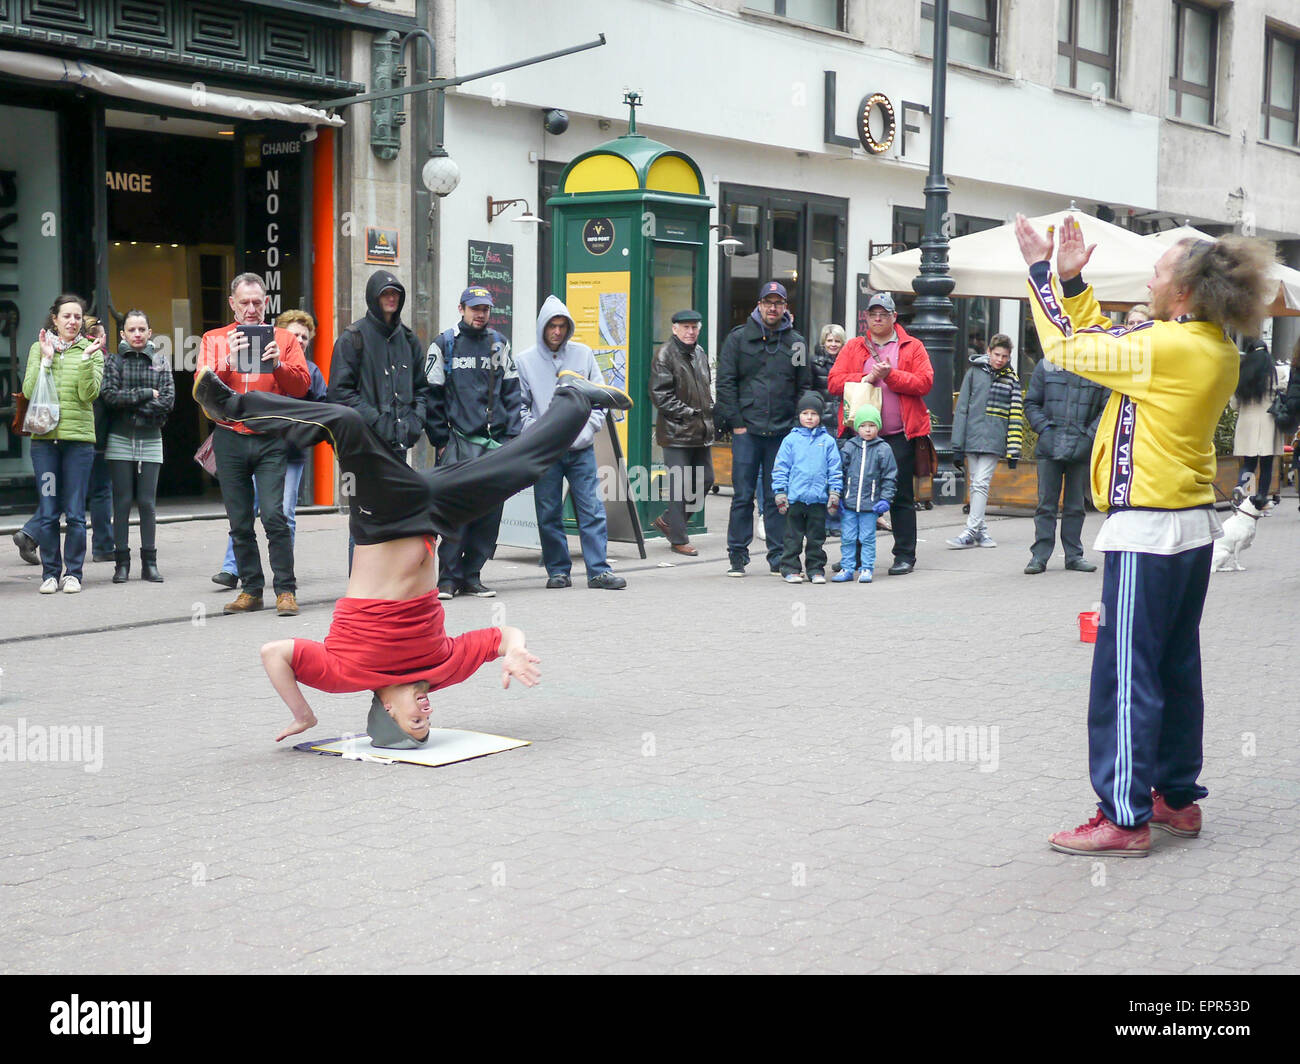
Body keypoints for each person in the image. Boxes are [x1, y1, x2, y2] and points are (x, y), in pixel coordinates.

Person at [186, 366, 631, 745]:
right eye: (429, 721)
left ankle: (232, 408)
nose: (426, 710)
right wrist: (516, 650)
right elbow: (501, 636)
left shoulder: (347, 674)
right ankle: (574, 397)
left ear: (386, 711)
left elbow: (273, 652)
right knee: (521, 467)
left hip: (382, 519)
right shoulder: (442, 669)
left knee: (344, 422)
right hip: (433, 514)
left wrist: (304, 714)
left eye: (416, 720)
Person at [1015, 214, 1274, 857]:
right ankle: (1175, 799)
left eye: (1158, 272)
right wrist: (1073, 283)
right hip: (1188, 529)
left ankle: (1123, 816)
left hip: (1148, 531)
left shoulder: (1169, 346)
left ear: (1183, 290)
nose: (1149, 280)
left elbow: (1070, 350)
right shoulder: (1204, 343)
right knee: (1175, 666)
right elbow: (1104, 334)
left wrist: (1043, 274)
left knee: (1126, 675)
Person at [197, 272, 310, 616]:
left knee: (275, 516)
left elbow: (302, 387)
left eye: (257, 302)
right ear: (232, 303)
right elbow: (201, 386)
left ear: (267, 303)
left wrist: (278, 364)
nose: (250, 309)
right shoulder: (214, 338)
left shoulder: (284, 339)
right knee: (240, 520)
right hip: (229, 436)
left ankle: (285, 590)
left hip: (270, 437)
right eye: (243, 302)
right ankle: (251, 588)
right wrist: (228, 361)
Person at [516, 295, 627, 590]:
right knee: (548, 511)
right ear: (542, 327)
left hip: (580, 449)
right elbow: (520, 408)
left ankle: (598, 571)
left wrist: (586, 431)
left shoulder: (583, 354)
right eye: (551, 326)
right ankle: (558, 570)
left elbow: (600, 398)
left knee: (591, 508)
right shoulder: (525, 361)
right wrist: (539, 434)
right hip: (546, 451)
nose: (557, 332)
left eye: (562, 326)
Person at [327, 271, 432, 575]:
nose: (391, 298)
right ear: (373, 297)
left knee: (395, 514)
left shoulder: (409, 339)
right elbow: (340, 393)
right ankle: (360, 587)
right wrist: (376, 421)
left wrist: (415, 421)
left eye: (396, 294)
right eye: (385, 293)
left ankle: (387, 583)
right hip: (363, 446)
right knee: (364, 516)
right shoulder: (353, 338)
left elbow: (422, 389)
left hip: (399, 446)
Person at [213, 310, 327, 589]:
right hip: (257, 443)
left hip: (290, 452)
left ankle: (283, 575)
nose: (298, 340)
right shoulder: (257, 362)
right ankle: (233, 567)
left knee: (281, 514)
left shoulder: (310, 371)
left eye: (304, 336)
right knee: (244, 511)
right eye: (293, 334)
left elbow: (321, 405)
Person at [827, 291, 934, 576]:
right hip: (859, 437)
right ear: (866, 318)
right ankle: (855, 556)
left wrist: (892, 376)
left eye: (883, 314)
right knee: (856, 497)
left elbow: (925, 383)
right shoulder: (853, 347)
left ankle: (904, 556)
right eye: (872, 314)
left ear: (893, 317)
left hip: (899, 434)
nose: (877, 318)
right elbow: (834, 383)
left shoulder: (912, 346)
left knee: (899, 495)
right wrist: (866, 378)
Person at [425, 286, 521, 599]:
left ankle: (473, 575)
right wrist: (440, 440)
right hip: (457, 441)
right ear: (461, 308)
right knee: (455, 513)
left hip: (494, 444)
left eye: (485, 309)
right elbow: (431, 396)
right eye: (474, 308)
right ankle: (448, 580)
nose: (480, 314)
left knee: (490, 513)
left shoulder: (499, 343)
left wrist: (512, 439)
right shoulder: (444, 343)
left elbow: (512, 392)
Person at [715, 281, 812, 577]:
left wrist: (797, 426)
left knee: (776, 496)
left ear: (786, 307)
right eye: (768, 302)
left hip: (782, 433)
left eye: (778, 303)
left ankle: (778, 556)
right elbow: (726, 383)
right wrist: (737, 424)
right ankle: (737, 555)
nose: (773, 308)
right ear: (758, 305)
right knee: (743, 495)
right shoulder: (738, 339)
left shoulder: (797, 342)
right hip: (748, 431)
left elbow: (804, 386)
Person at [23, 294, 104, 594]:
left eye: (77, 317)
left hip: (78, 443)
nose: (72, 321)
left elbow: (89, 395)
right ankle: (50, 572)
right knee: (47, 510)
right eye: (66, 316)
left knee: (74, 512)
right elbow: (29, 390)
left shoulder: (91, 350)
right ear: (54, 319)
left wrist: (84, 360)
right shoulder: (38, 348)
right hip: (44, 442)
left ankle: (73, 573)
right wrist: (45, 360)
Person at [100, 310, 173, 583]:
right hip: (119, 439)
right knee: (121, 502)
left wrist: (131, 410)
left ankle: (149, 563)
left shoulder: (161, 361)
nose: (138, 334)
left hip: (152, 439)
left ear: (150, 332)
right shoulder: (114, 362)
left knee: (147, 502)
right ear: (123, 334)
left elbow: (167, 401)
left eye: (142, 329)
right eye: (132, 330)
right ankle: (121, 563)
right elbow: (109, 396)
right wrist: (144, 395)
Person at [1022, 348, 1108, 574]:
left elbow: (1106, 409)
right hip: (1050, 444)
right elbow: (1031, 403)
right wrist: (1045, 429)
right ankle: (1039, 556)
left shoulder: (1098, 368)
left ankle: (1073, 555)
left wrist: (1089, 437)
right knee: (1045, 505)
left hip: (1081, 445)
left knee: (1075, 505)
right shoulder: (1047, 364)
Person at [947, 333, 1024, 550]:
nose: (1000, 360)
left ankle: (970, 531)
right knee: (976, 484)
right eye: (997, 354)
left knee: (980, 483)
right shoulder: (973, 373)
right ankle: (982, 532)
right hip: (971, 436)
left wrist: (1013, 449)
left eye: (1005, 356)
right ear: (988, 352)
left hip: (994, 439)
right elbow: (962, 408)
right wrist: (957, 444)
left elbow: (1015, 415)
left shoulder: (1011, 379)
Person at [648, 308, 714, 557]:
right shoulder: (665, 354)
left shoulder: (699, 352)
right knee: (680, 486)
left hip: (700, 430)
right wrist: (688, 413)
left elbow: (704, 389)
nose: (690, 331)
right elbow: (660, 395)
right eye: (685, 327)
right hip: (676, 432)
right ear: (674, 329)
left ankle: (668, 521)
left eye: (694, 327)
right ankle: (678, 538)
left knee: (706, 479)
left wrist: (708, 413)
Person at [771, 393, 842, 583]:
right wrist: (780, 492)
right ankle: (790, 568)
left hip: (818, 499)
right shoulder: (790, 440)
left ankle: (815, 569)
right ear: (799, 415)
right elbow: (780, 468)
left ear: (820, 416)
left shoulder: (827, 442)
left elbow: (835, 469)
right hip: (795, 499)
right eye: (805, 413)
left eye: (813, 414)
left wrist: (834, 492)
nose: (809, 417)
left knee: (816, 538)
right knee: (792, 537)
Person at [833, 405, 897, 583]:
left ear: (878, 426)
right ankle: (847, 567)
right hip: (849, 504)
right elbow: (840, 473)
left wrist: (885, 499)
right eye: (863, 425)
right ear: (857, 427)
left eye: (872, 425)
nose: (867, 429)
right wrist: (838, 497)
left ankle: (866, 568)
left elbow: (889, 477)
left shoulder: (884, 449)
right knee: (848, 538)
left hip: (871, 505)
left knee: (867, 538)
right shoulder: (849, 447)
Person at [1230, 339, 1284, 509]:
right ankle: (1260, 498)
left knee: (1249, 461)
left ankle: (1243, 489)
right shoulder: (1276, 373)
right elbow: (1281, 395)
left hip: (1247, 421)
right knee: (1267, 463)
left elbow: (1234, 405)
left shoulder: (1242, 375)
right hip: (1268, 421)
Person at [83, 316, 116, 565]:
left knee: (68, 493)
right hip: (99, 436)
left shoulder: (74, 358)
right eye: (100, 334)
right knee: (101, 492)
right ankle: (104, 546)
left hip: (79, 435)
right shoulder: (102, 361)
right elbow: (110, 399)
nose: (103, 338)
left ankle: (30, 533)